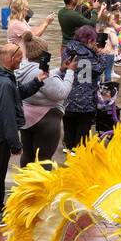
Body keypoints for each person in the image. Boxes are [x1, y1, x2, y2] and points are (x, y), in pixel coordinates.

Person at [0, 42, 46, 226]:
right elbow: (7, 118)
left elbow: (17, 94)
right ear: (10, 59)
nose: (21, 60)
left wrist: (37, 82)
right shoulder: (3, 83)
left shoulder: (3, 75)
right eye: (19, 57)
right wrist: (15, 144)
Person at [17, 35, 76, 165]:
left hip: (27, 117)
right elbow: (62, 93)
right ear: (42, 53)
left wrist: (60, 70)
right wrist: (70, 72)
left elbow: (41, 77)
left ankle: (25, 184)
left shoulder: (23, 67)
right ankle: (41, 186)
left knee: (27, 155)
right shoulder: (39, 71)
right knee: (44, 160)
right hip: (46, 120)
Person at [61, 25, 104, 150]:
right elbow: (99, 69)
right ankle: (79, 150)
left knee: (68, 124)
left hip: (68, 94)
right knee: (83, 128)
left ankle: (68, 146)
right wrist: (100, 55)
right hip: (85, 99)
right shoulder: (89, 55)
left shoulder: (68, 50)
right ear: (90, 40)